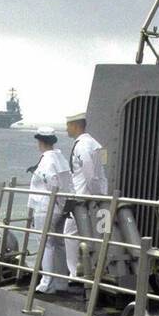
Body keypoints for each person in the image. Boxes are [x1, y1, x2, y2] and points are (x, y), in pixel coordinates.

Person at [27, 128, 73, 293]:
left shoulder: (47, 161)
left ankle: (46, 283)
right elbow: (67, 183)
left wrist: (56, 202)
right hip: (61, 206)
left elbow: (51, 182)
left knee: (45, 244)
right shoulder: (60, 158)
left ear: (41, 141)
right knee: (59, 244)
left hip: (46, 206)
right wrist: (63, 204)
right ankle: (61, 282)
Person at [63, 112, 108, 282]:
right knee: (98, 234)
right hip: (96, 197)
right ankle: (92, 269)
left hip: (84, 198)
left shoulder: (82, 146)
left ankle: (75, 274)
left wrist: (94, 196)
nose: (67, 128)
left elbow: (90, 174)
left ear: (75, 125)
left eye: (68, 125)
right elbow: (102, 169)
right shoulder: (96, 144)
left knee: (70, 233)